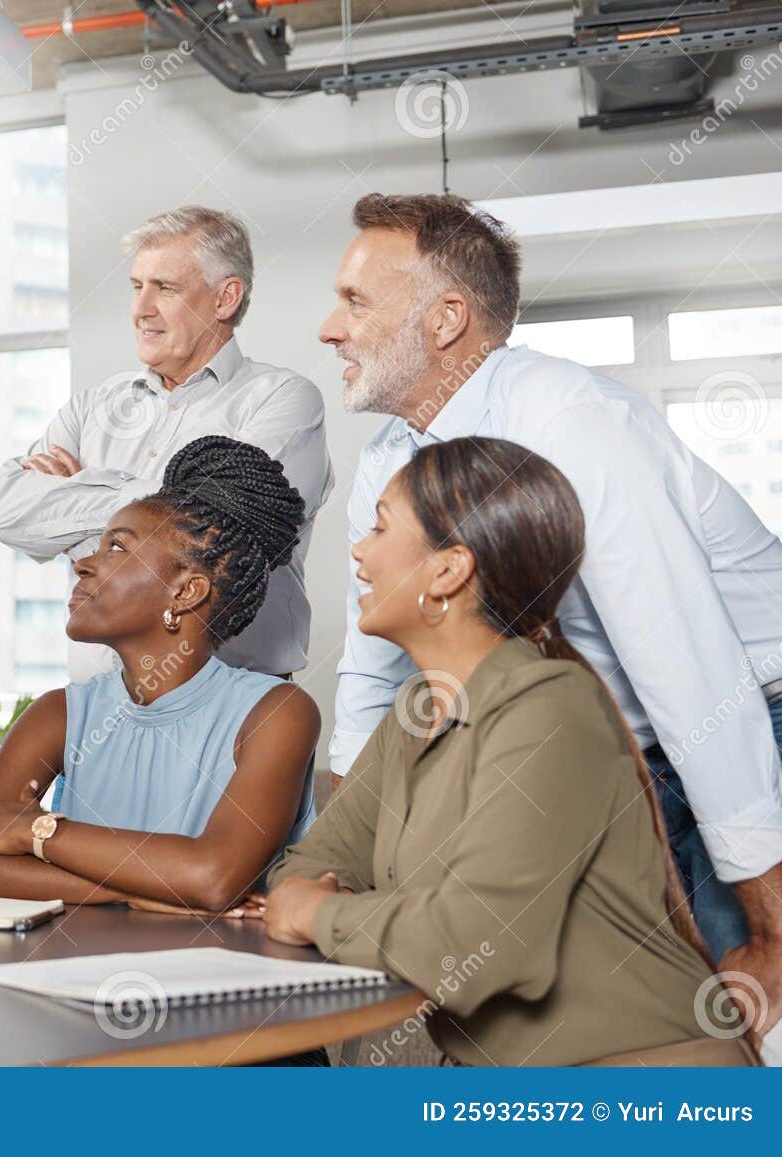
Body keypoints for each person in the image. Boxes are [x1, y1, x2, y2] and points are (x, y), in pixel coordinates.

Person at [320, 192, 782, 1035]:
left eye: (355, 301)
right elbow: (367, 672)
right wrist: (335, 863)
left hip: (749, 715)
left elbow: (687, 667)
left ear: (446, 319)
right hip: (614, 740)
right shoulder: (391, 457)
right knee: (622, 1011)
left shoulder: (569, 422)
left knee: (742, 1012)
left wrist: (771, 926)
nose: (329, 328)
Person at [263, 436, 754, 1066]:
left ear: (448, 570)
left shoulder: (552, 708)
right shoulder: (415, 713)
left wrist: (323, 915)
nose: (359, 551)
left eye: (380, 529)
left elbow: (473, 945)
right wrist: (333, 905)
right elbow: (308, 867)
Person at [0, 435, 318, 915]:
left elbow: (214, 877)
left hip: (218, 979)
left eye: (116, 548)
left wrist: (33, 832)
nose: (84, 564)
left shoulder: (276, 713)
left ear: (186, 592)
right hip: (70, 976)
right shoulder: (60, 714)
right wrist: (138, 890)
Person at [0, 205, 332, 682]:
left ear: (225, 298)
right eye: (137, 286)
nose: (140, 308)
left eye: (164, 288)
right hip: (98, 703)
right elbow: (8, 513)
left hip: (238, 706)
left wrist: (79, 498)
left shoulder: (283, 400)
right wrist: (166, 505)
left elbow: (221, 529)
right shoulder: (93, 406)